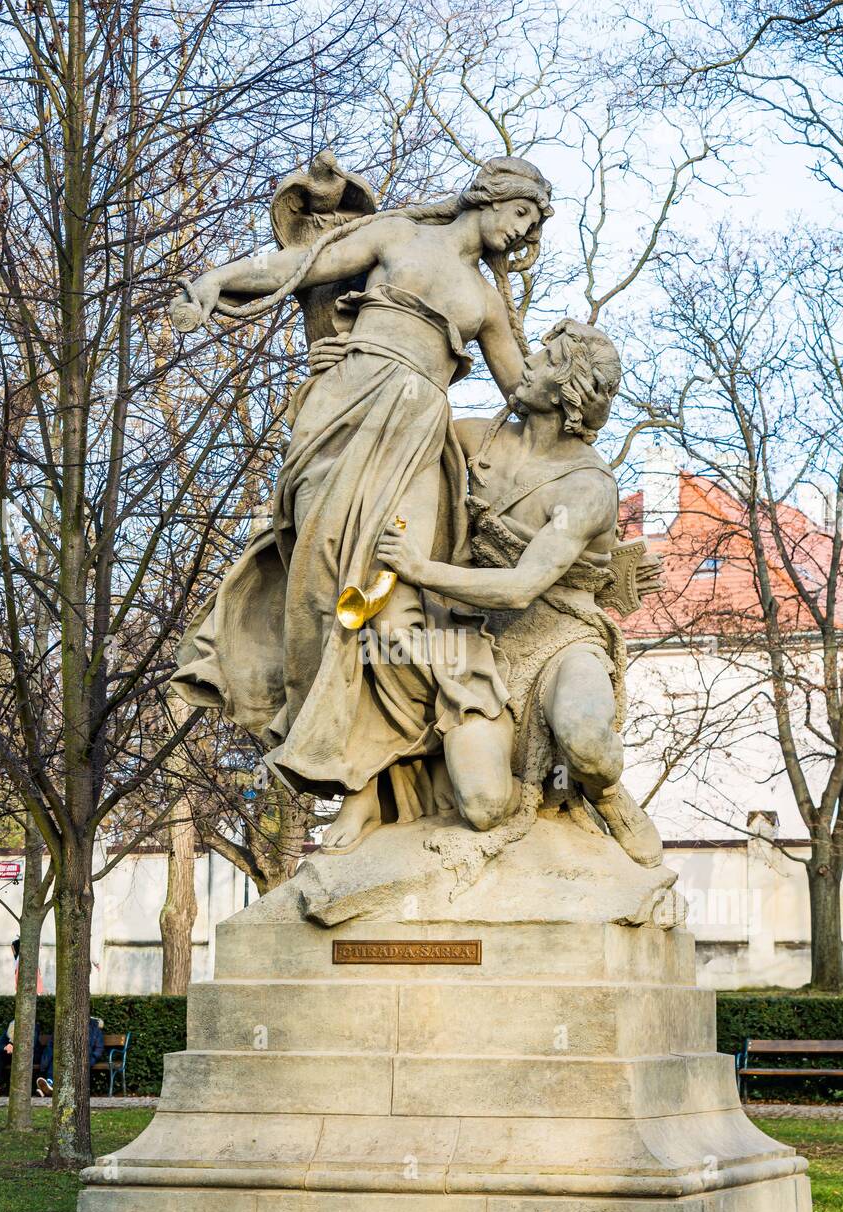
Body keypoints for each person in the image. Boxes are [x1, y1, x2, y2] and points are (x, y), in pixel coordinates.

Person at [170, 158, 554, 851]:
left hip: (416, 440)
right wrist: (218, 278)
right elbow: (302, 264)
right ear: (490, 197)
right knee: (320, 586)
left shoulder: (487, 303)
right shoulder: (398, 236)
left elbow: (527, 396)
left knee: (384, 600)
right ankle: (352, 783)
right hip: (343, 414)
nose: (522, 233)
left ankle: (374, 782)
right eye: (522, 212)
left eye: (531, 224)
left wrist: (580, 386)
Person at [378, 319, 663, 867]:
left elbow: (518, 589)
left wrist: (419, 569)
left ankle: (605, 792)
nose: (528, 361)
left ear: (568, 392)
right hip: (478, 648)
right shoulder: (475, 439)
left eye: (548, 358)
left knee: (584, 738)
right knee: (483, 806)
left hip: (562, 640)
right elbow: (485, 326)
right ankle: (533, 815)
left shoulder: (588, 489)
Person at [35, 1016, 105, 1097]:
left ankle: (49, 1087)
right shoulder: (66, 1027)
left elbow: (99, 1048)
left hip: (83, 1058)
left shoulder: (95, 1030)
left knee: (69, 1063)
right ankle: (50, 1085)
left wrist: (92, 1059)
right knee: (57, 1059)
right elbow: (53, 1043)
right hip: (64, 1055)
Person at [0, 1019, 41, 1098]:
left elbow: (31, 1045)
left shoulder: (33, 1026)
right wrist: (6, 1047)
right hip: (11, 1056)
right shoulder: (11, 1026)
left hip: (29, 1057)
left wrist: (15, 1047)